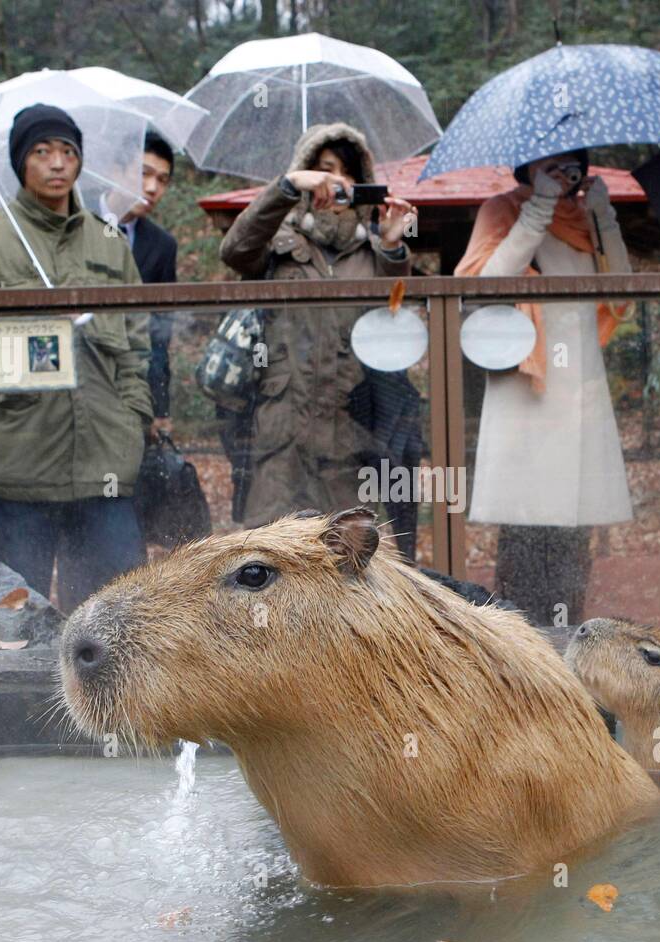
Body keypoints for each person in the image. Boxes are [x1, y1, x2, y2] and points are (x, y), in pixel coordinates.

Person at [0, 103, 153, 613]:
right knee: (14, 617)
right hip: (17, 462)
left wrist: (133, 418)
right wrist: (41, 342)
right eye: (41, 152)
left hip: (103, 460)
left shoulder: (108, 240)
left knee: (114, 617)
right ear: (21, 163)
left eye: (68, 152)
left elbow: (139, 340)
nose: (57, 163)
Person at [455, 150, 634, 626]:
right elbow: (487, 282)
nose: (562, 173)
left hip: (581, 384)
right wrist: (537, 208)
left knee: (575, 525)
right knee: (525, 519)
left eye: (570, 164)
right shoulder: (502, 209)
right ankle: (519, 645)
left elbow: (621, 290)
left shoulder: (584, 216)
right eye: (549, 164)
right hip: (527, 387)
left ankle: (570, 634)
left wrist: (603, 215)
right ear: (529, 166)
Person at [218, 122, 418, 531]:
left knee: (347, 565)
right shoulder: (278, 241)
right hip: (278, 436)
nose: (337, 182)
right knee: (267, 559)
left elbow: (398, 318)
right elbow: (235, 250)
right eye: (326, 169)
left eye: (347, 173)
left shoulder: (371, 252)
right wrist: (287, 186)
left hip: (347, 440)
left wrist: (394, 246)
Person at [117, 130, 179, 437]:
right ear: (116, 169)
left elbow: (160, 334)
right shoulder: (79, 222)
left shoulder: (162, 245)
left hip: (134, 384)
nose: (152, 187)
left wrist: (160, 405)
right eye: (144, 174)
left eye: (163, 180)